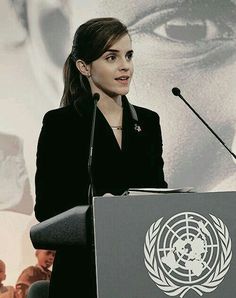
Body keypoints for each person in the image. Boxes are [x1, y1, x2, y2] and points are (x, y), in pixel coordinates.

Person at [34, 17, 167, 297]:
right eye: (111, 57)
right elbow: (47, 208)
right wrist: (99, 211)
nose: (125, 66)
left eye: (128, 55)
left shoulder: (148, 121)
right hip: (83, 272)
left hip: (141, 265)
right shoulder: (62, 124)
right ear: (84, 67)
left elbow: (158, 190)